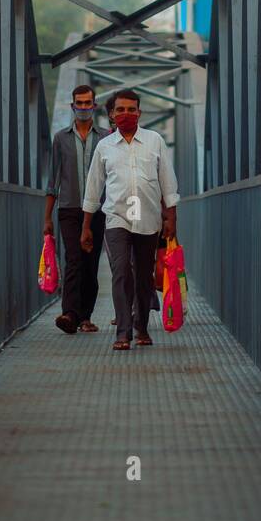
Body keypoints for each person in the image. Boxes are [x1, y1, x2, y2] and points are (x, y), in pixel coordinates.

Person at [81, 89, 178, 351]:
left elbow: (168, 183)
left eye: (131, 109)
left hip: (148, 218)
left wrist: (171, 218)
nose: (126, 114)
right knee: (121, 273)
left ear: (139, 112)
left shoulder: (155, 140)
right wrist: (86, 226)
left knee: (144, 277)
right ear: (111, 115)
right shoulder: (104, 147)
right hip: (116, 218)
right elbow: (93, 187)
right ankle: (123, 332)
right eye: (120, 110)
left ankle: (142, 327)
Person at [44, 84, 109, 335]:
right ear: (72, 106)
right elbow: (53, 179)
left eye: (87, 103)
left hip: (98, 211)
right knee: (73, 259)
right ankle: (70, 313)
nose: (83, 108)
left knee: (90, 264)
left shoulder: (105, 138)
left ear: (94, 105)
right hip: (69, 209)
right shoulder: (60, 138)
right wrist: (47, 217)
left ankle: (85, 316)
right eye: (78, 103)